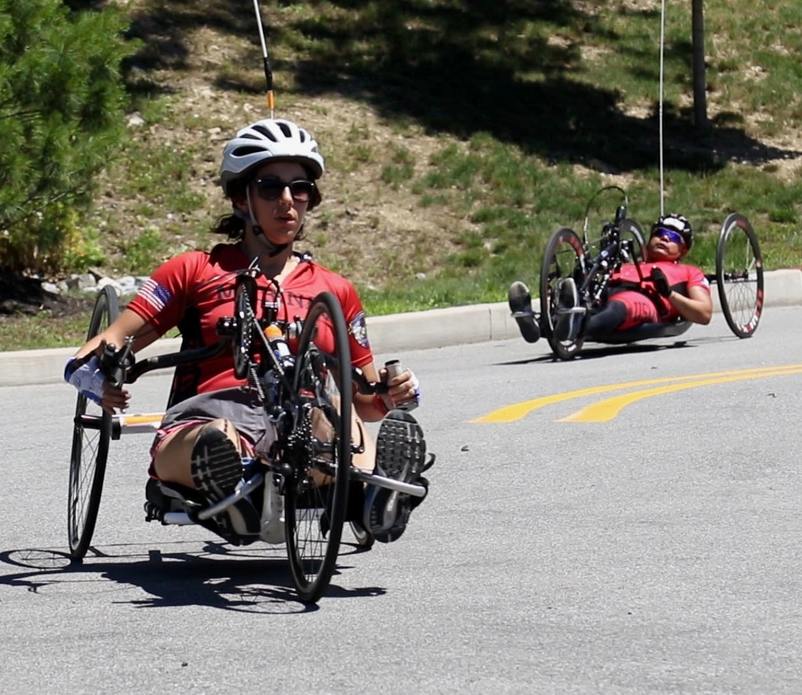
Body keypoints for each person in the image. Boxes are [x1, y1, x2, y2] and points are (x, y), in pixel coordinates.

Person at [64, 117, 429, 546]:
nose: (287, 201)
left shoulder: (335, 291)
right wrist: (97, 377)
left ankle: (376, 495)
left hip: (298, 433)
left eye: (301, 189)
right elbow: (99, 349)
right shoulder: (194, 271)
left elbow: (365, 400)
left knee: (331, 419)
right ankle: (234, 488)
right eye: (271, 187)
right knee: (217, 440)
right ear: (241, 197)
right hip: (207, 420)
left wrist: (392, 394)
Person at [509, 213, 712, 344]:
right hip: (607, 290)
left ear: (683, 249)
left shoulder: (689, 272)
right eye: (660, 233)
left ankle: (566, 327)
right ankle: (536, 322)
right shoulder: (628, 262)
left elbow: (704, 313)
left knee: (618, 307)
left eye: (674, 237)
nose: (665, 238)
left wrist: (669, 293)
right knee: (584, 294)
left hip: (646, 299)